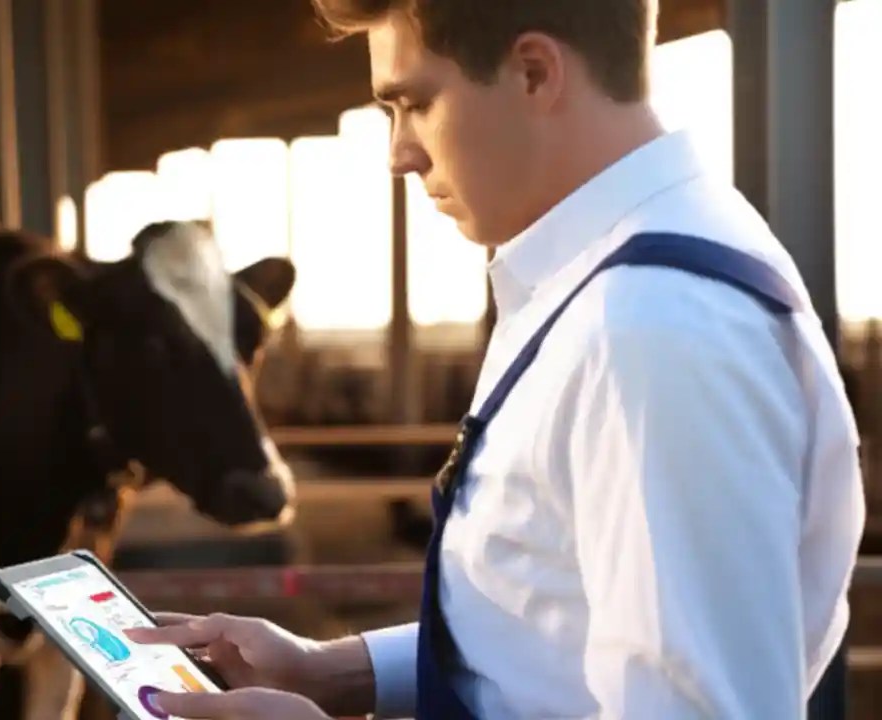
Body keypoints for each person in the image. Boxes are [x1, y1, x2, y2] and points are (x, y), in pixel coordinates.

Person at [127, 0, 866, 717]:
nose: (398, 154)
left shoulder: (653, 328)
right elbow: (555, 625)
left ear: (535, 73)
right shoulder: (616, 280)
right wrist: (337, 674)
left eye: (411, 103)